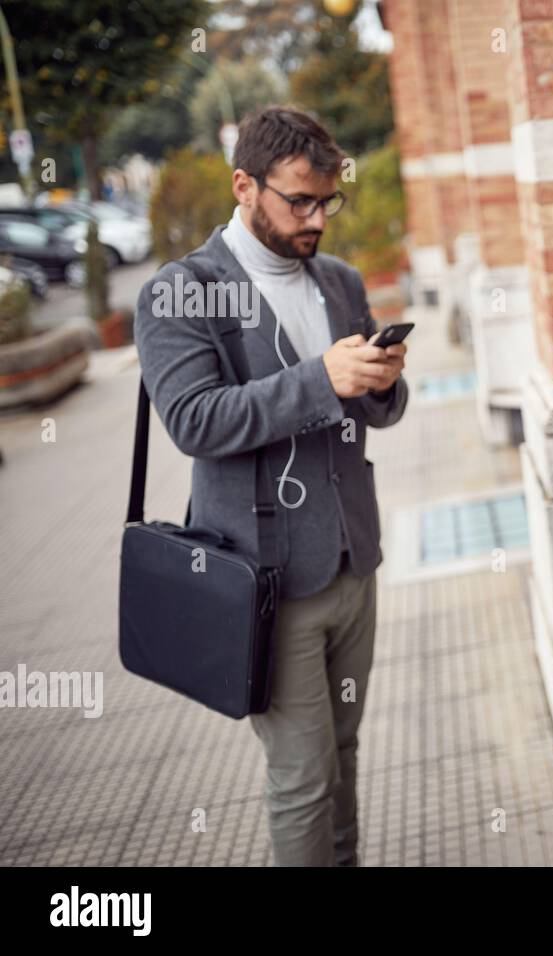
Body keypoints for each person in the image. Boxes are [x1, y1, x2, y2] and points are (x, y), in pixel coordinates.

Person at [134, 106, 409, 866]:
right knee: (301, 777)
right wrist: (322, 379)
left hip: (354, 561)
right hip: (266, 578)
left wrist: (381, 382)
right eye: (299, 202)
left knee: (345, 754)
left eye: (328, 201)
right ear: (244, 187)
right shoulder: (182, 291)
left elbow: (376, 411)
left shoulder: (340, 280)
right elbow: (194, 420)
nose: (317, 218)